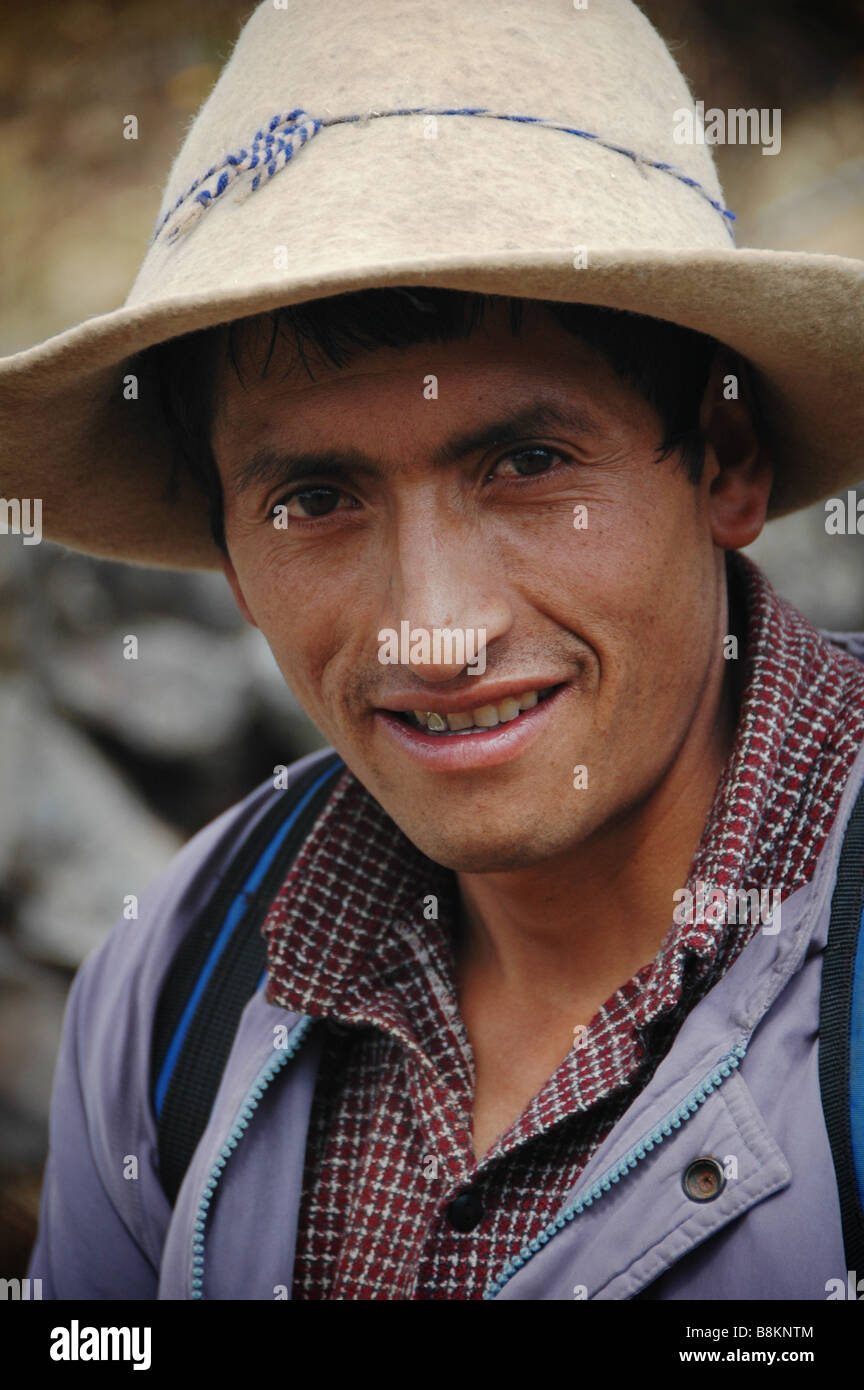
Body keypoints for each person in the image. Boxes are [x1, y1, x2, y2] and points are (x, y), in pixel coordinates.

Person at [3, 0, 863, 1300]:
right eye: (316, 502)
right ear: (232, 557)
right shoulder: (168, 985)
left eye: (526, 464)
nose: (436, 627)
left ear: (724, 461)